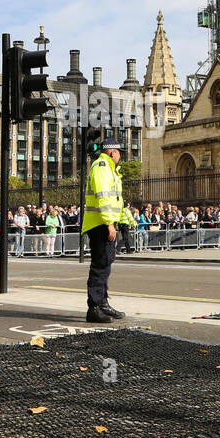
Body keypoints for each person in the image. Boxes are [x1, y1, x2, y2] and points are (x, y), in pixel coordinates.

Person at [82, 136, 126, 323]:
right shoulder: (101, 167)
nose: (120, 157)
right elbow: (103, 198)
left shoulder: (108, 168)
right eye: (119, 153)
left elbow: (114, 200)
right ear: (112, 152)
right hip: (100, 223)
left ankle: (102, 303)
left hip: (103, 222)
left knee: (105, 265)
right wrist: (109, 223)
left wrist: (119, 221)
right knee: (100, 266)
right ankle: (94, 307)